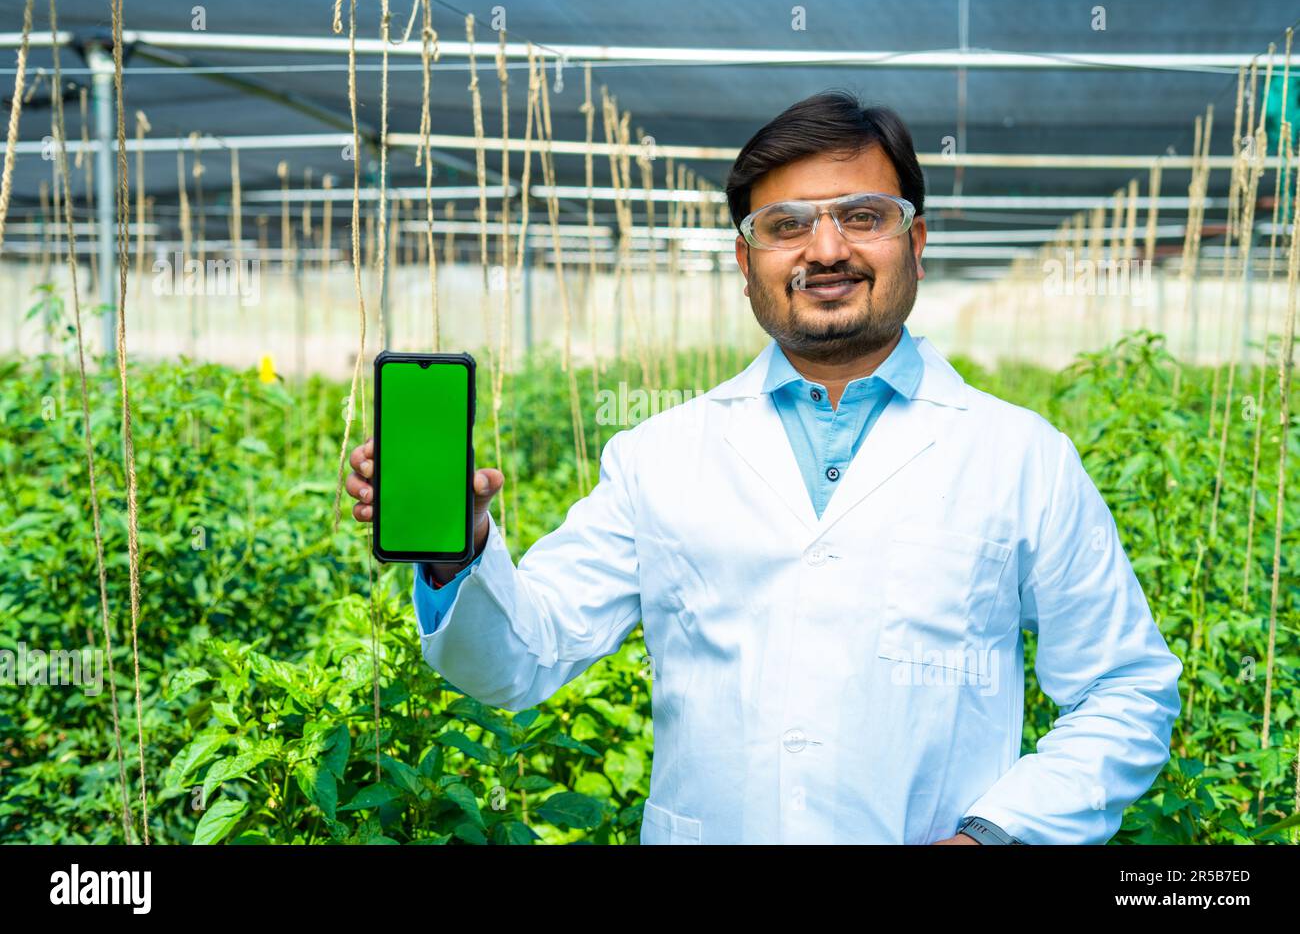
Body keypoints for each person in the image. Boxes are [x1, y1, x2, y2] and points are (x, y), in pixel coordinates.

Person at [344, 89, 1182, 845]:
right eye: (786, 225)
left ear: (915, 243)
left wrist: (997, 836)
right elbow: (517, 663)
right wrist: (460, 546)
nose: (826, 249)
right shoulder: (656, 458)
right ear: (747, 264)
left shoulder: (1021, 457)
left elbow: (1124, 690)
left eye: (863, 215)